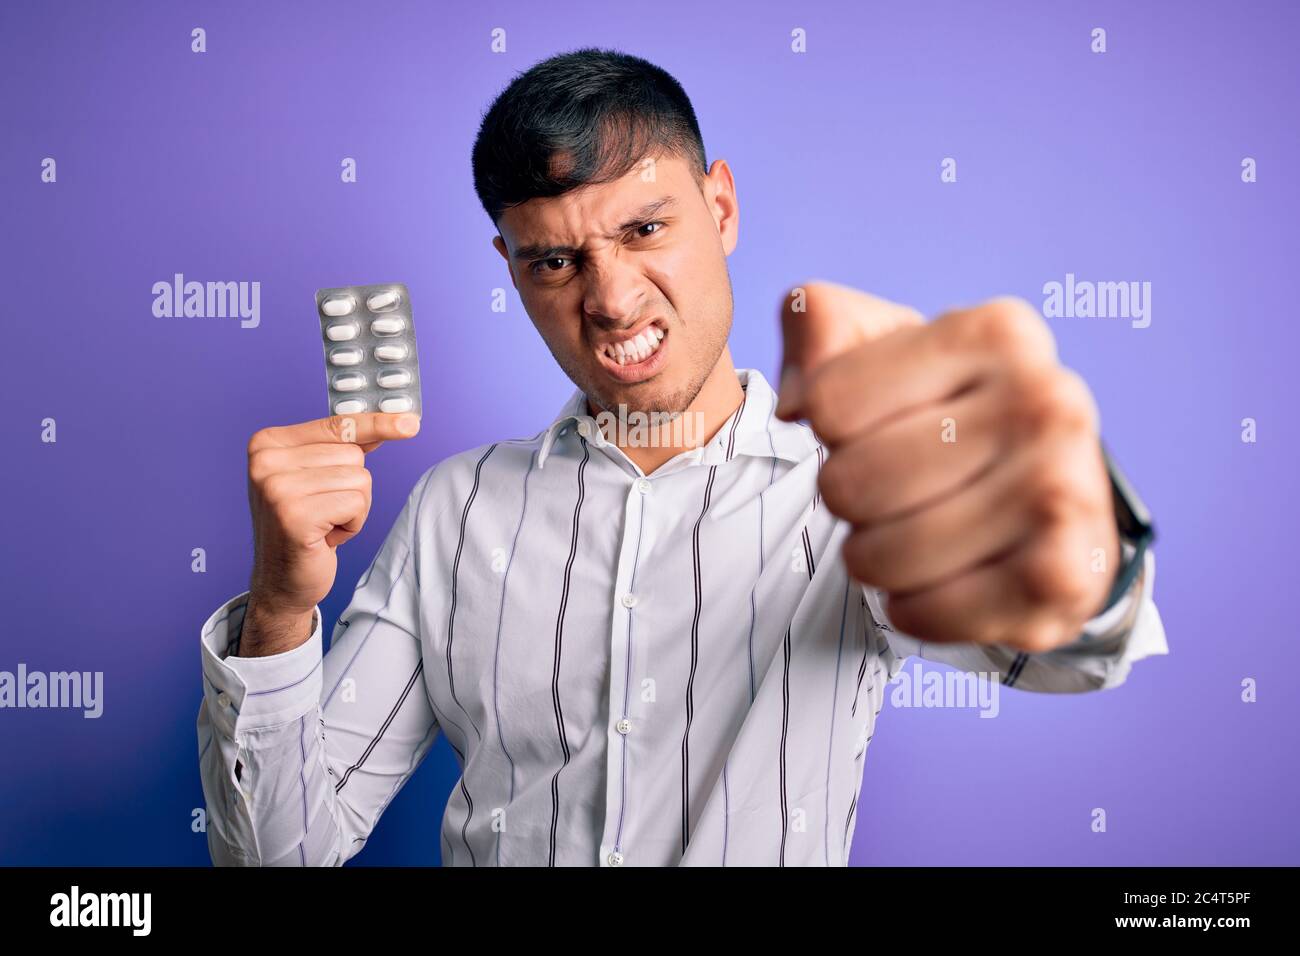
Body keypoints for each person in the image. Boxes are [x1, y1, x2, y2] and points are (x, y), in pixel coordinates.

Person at [196, 47, 1167, 867]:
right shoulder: (454, 514)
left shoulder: (847, 489)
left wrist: (1082, 536)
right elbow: (281, 850)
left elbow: (1078, 652)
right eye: (554, 261)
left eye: (645, 228)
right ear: (510, 268)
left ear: (722, 206)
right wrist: (280, 606)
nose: (611, 299)